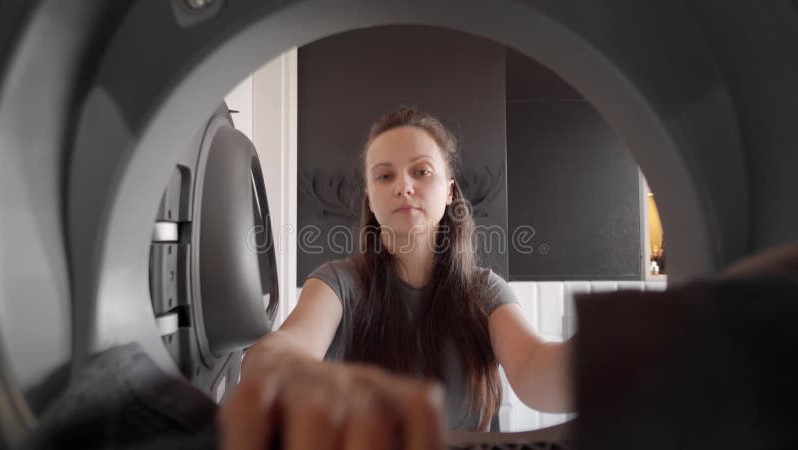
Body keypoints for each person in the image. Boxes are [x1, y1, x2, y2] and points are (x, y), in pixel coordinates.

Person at [220, 108, 573, 450]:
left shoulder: (486, 292)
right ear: (370, 200)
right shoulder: (337, 283)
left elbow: (532, 367)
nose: (404, 186)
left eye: (421, 171)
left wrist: (599, 358)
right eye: (385, 176)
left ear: (450, 191)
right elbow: (277, 352)